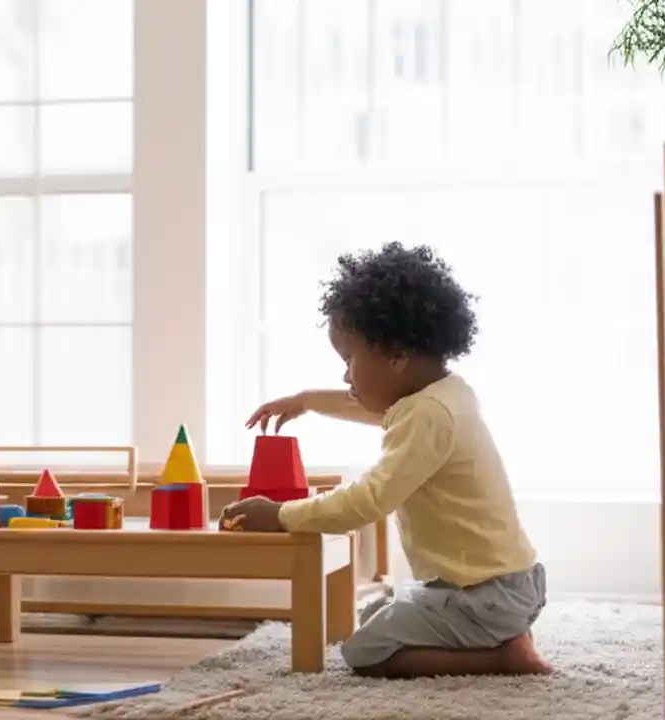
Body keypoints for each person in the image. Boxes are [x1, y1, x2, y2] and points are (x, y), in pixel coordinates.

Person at [221, 242, 551, 679]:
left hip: (481, 595)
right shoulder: (442, 394)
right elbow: (371, 404)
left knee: (365, 651)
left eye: (348, 360)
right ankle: (498, 634)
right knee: (377, 609)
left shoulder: (427, 414)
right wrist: (307, 401)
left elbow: (368, 500)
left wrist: (281, 514)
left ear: (395, 355)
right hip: (505, 585)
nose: (345, 375)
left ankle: (503, 656)